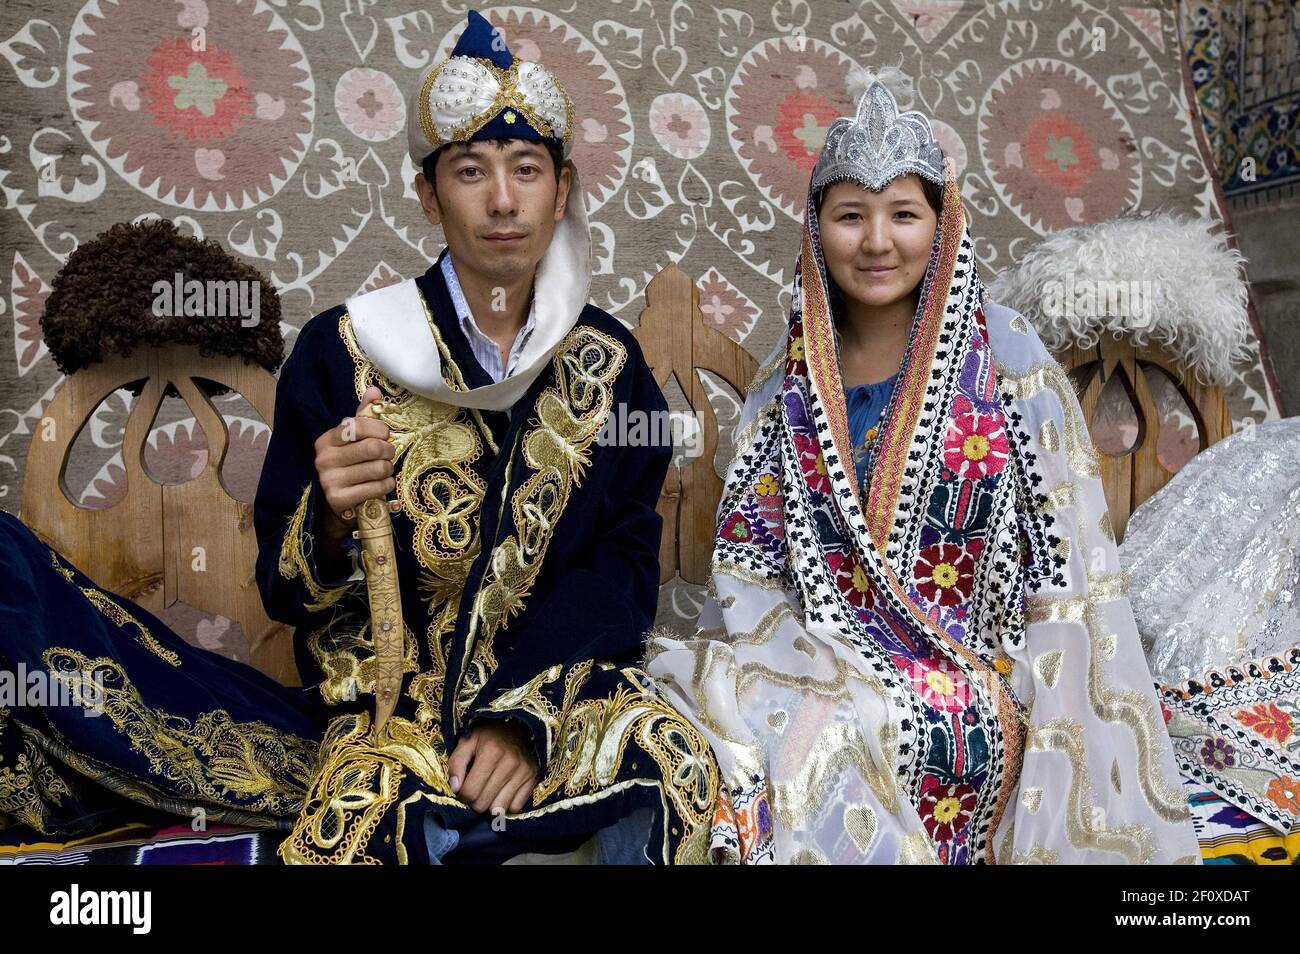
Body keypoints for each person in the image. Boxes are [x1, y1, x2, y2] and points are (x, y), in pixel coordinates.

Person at [0, 9, 719, 865]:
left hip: (557, 699)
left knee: (673, 764)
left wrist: (520, 718)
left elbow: (624, 565)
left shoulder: (609, 365)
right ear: (427, 194)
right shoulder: (346, 351)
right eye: (470, 170)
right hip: (390, 722)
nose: (501, 199)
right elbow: (283, 588)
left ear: (561, 191)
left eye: (527, 170)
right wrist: (330, 518)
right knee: (370, 820)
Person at [644, 67, 1201, 864]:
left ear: (942, 223)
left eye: (903, 214)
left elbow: (1066, 559)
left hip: (977, 665)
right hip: (818, 660)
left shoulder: (1007, 364)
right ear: (815, 228)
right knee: (739, 724)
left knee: (854, 730)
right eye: (851, 216)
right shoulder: (787, 383)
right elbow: (749, 569)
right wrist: (796, 664)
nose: (876, 242)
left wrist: (1047, 695)